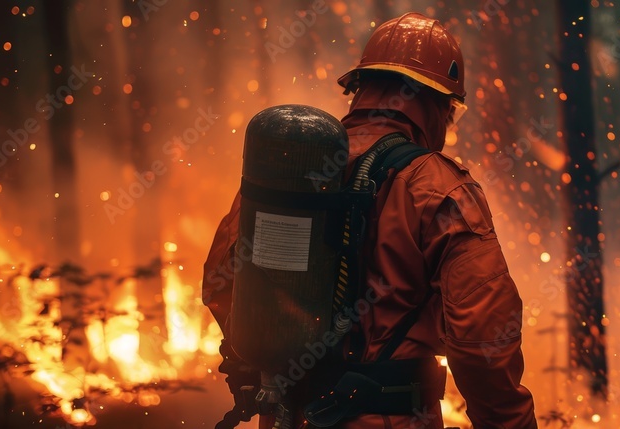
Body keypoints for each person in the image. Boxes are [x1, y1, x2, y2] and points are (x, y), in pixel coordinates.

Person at [203, 12, 537, 429]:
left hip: (287, 416)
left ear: (359, 89)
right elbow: (483, 340)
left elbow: (220, 280)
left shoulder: (289, 171)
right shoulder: (442, 189)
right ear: (438, 106)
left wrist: (272, 354)